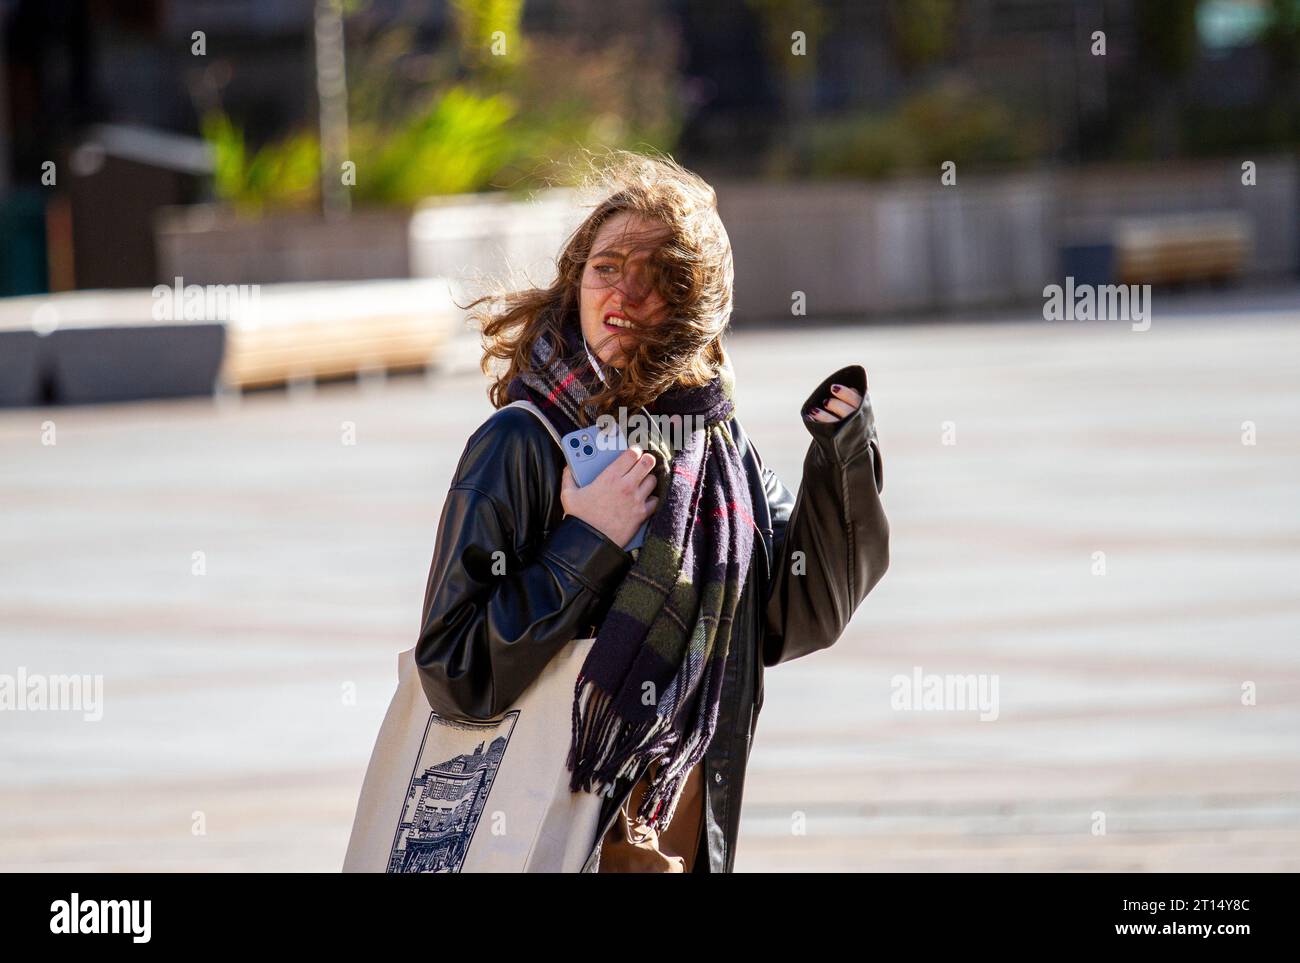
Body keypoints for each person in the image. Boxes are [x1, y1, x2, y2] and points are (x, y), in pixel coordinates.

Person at [414, 151, 889, 873]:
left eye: (657, 276)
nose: (624, 292)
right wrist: (586, 540)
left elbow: (802, 616)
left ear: (695, 306)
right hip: (547, 829)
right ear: (577, 281)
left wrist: (841, 458)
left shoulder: (722, 453)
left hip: (677, 828)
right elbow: (453, 669)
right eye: (607, 267)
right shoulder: (521, 443)